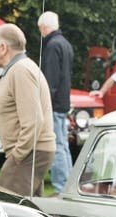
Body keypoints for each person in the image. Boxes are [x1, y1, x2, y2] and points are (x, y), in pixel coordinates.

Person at [0, 24, 55, 197]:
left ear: (3, 48)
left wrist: (17, 156)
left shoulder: (21, 70)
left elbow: (34, 120)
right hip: (32, 152)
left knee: (9, 208)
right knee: (31, 214)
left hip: (29, 153)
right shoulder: (19, 69)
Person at [38, 11, 73, 194]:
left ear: (44, 27)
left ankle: (61, 187)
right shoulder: (65, 44)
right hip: (64, 101)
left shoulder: (52, 46)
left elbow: (49, 79)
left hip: (54, 103)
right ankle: (69, 183)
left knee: (57, 146)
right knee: (64, 146)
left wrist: (43, 102)